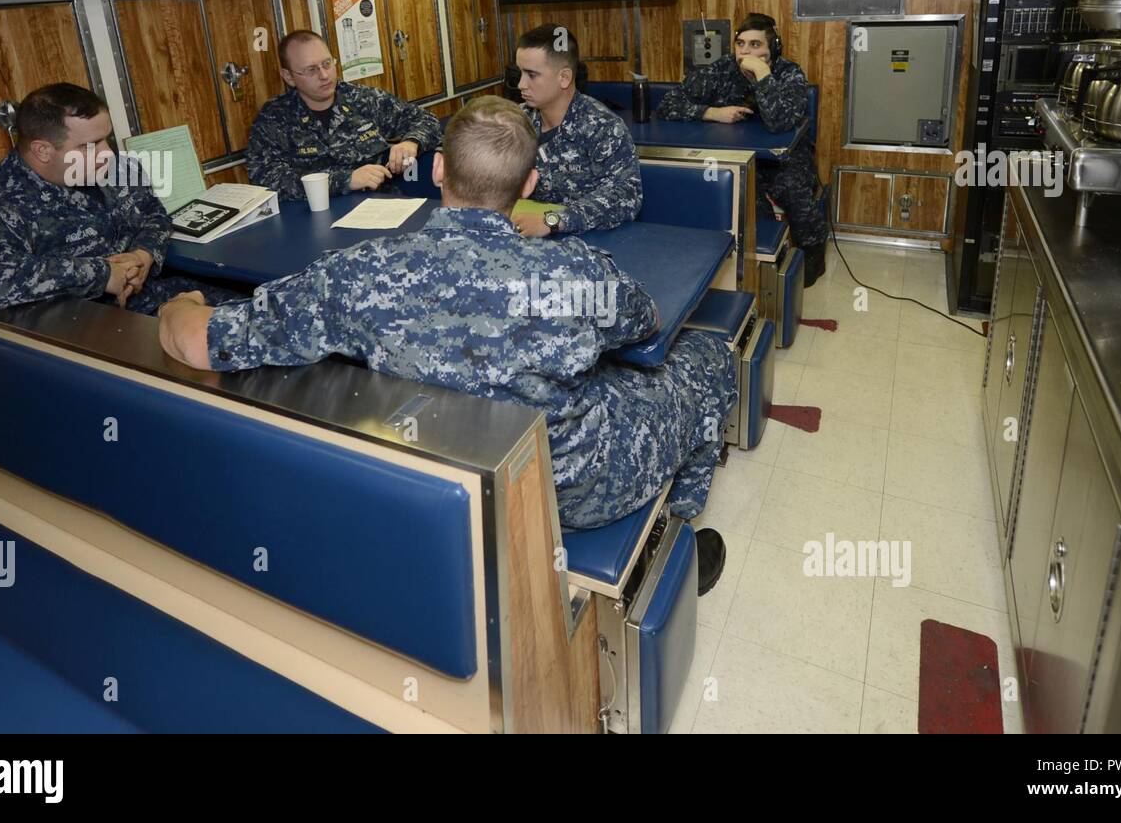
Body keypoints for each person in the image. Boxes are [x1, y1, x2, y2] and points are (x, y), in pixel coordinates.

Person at [159, 96, 734, 595]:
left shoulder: (357, 276)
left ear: (438, 170)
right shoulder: (575, 276)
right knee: (706, 359)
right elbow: (647, 321)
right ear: (530, 184)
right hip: (568, 491)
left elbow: (197, 344)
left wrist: (178, 303)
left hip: (429, 489)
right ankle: (674, 542)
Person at [0, 83, 236, 317]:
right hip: (87, 327)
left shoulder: (117, 168)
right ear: (43, 151)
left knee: (257, 313)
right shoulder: (7, 200)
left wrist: (144, 255)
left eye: (107, 139)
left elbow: (154, 215)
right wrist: (100, 274)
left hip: (153, 295)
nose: (108, 153)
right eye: (90, 146)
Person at [657, 13, 828, 285]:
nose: (745, 52)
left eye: (755, 45)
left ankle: (809, 269)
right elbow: (668, 103)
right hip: (737, 157)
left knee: (797, 197)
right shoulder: (723, 69)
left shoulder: (789, 73)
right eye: (741, 44)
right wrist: (712, 112)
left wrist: (762, 75)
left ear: (772, 48)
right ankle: (763, 270)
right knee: (748, 204)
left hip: (783, 160)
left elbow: (779, 122)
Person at [246, 30, 442, 201]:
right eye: (311, 69)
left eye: (327, 63)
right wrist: (345, 180)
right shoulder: (275, 118)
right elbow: (264, 176)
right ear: (288, 76)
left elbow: (427, 120)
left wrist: (411, 142)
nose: (324, 75)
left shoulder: (362, 99)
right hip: (317, 214)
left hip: (382, 202)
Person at [512, 24, 641, 237]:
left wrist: (553, 221)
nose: (520, 84)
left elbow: (627, 197)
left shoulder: (602, 126)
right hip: (526, 240)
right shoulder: (516, 121)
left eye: (531, 75)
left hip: (590, 243)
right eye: (520, 73)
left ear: (564, 77)